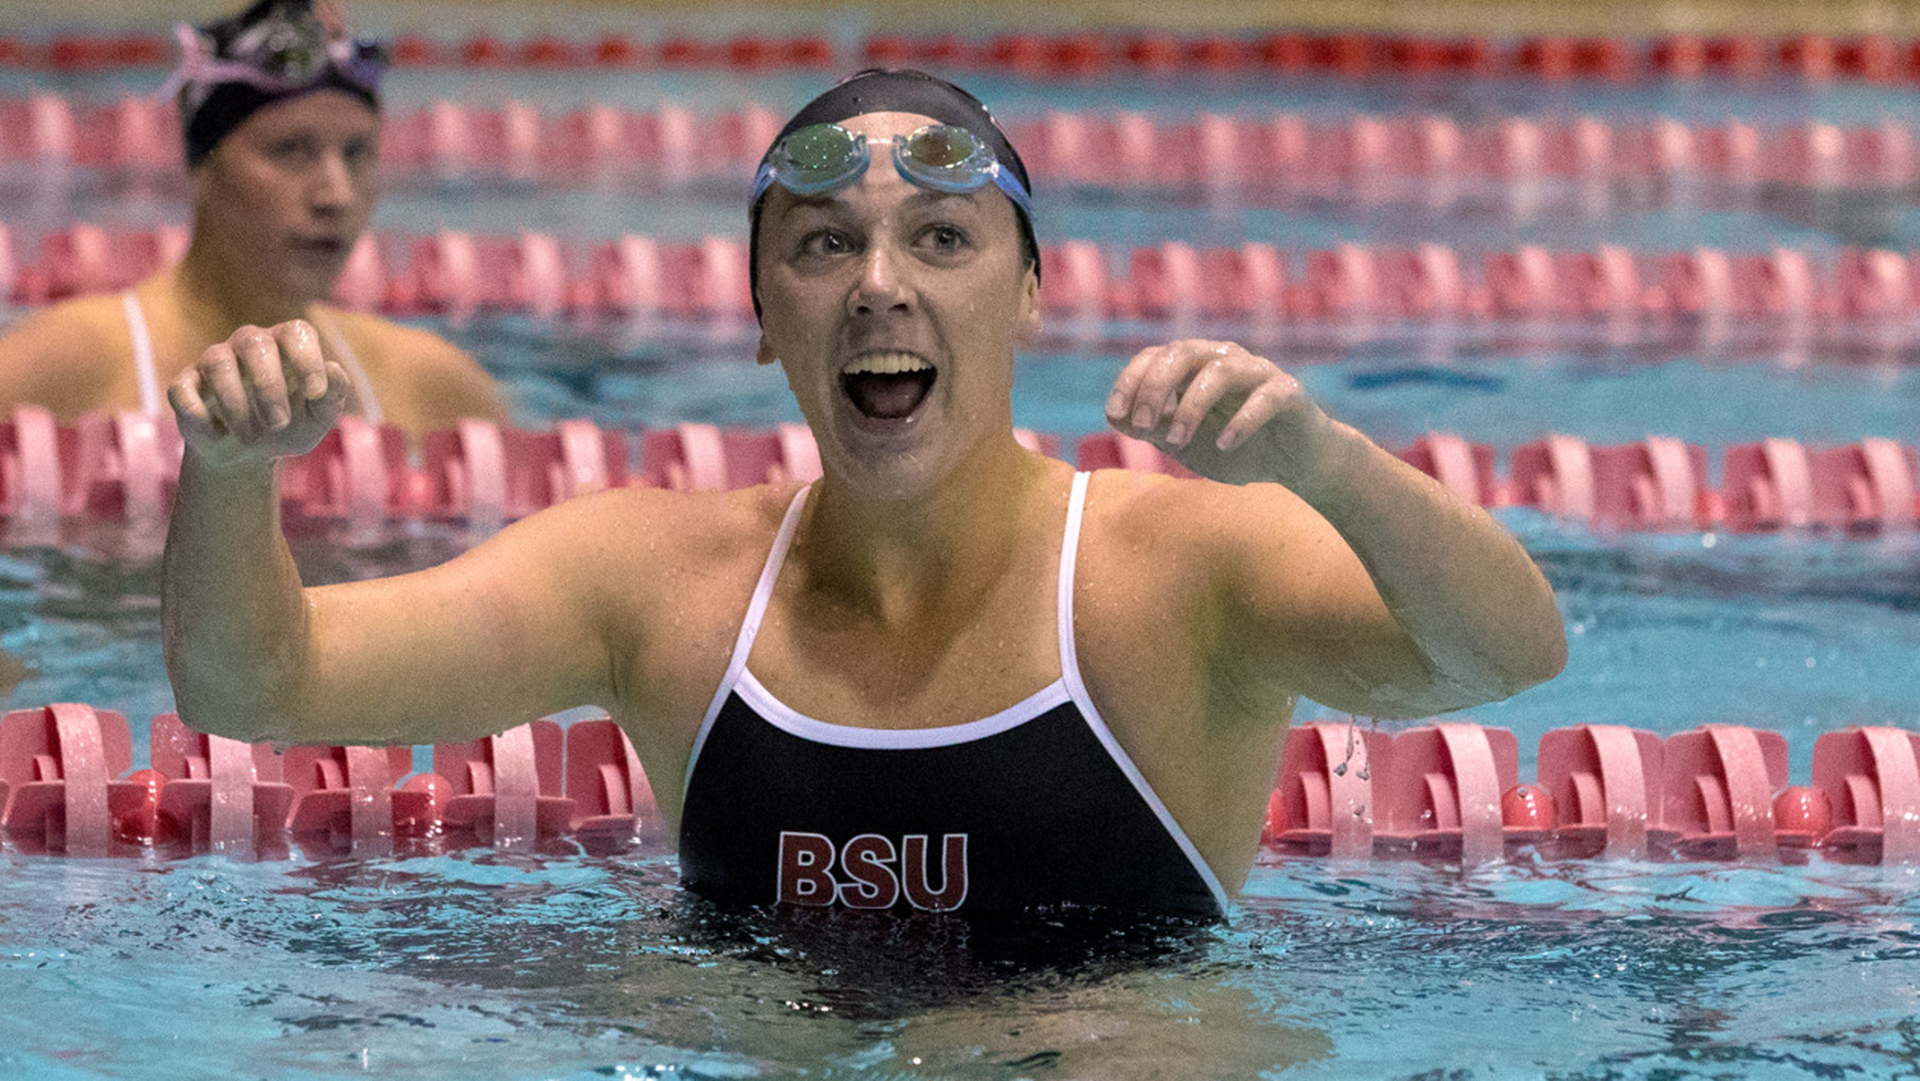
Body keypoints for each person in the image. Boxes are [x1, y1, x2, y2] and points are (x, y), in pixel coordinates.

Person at [160, 70, 1566, 919]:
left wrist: (1321, 463)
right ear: (766, 313)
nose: (881, 282)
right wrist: (227, 478)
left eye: (941, 238)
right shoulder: (658, 584)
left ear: (1026, 295)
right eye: (825, 245)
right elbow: (258, 686)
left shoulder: (1174, 572)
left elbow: (1507, 650)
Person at [0, 0, 501, 439]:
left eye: (356, 153)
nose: (337, 194)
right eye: (292, 151)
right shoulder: (65, 364)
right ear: (203, 163)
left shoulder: (430, 384)